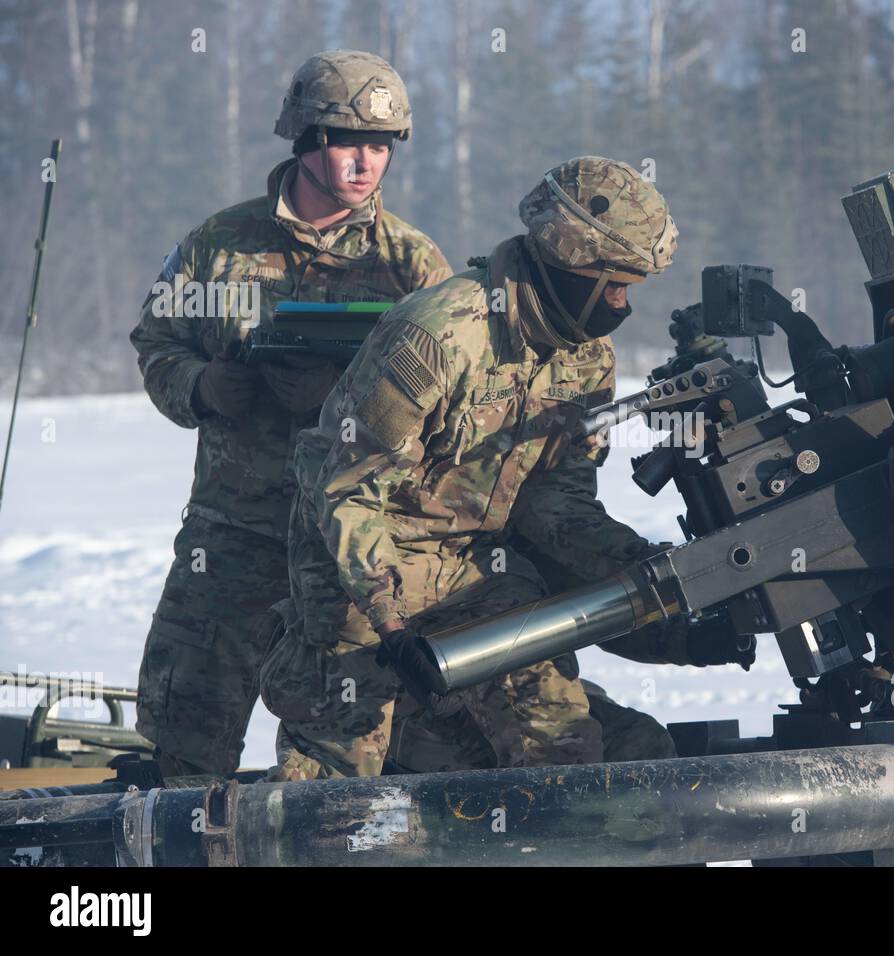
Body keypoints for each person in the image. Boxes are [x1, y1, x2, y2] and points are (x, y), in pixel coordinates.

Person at [260, 156, 752, 780]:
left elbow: (558, 510)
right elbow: (346, 490)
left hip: (478, 574)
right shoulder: (440, 335)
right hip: (357, 579)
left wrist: (671, 602)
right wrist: (389, 622)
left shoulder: (585, 356)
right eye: (617, 284)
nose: (623, 306)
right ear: (573, 265)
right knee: (339, 785)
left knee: (565, 751)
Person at [130, 50, 451, 777]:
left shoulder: (413, 264)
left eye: (380, 145)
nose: (366, 162)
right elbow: (157, 344)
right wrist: (208, 387)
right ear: (305, 141)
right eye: (347, 141)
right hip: (233, 535)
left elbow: (452, 393)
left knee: (330, 772)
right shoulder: (219, 247)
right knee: (184, 744)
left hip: (348, 552)